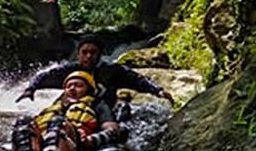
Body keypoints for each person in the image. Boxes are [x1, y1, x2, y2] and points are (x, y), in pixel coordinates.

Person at [14, 69, 130, 151]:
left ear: (89, 90)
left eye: (79, 85)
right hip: (44, 143)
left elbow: (113, 130)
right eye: (69, 86)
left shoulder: (97, 105)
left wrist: (92, 139)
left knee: (58, 122)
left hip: (75, 145)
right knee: (24, 122)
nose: (72, 88)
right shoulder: (56, 106)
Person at [16, 33, 174, 110]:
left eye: (93, 52)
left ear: (100, 54)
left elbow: (138, 80)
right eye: (84, 52)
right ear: (78, 54)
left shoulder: (113, 70)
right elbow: (44, 76)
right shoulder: (70, 70)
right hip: (72, 110)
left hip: (101, 111)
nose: (88, 56)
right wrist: (31, 89)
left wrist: (158, 91)